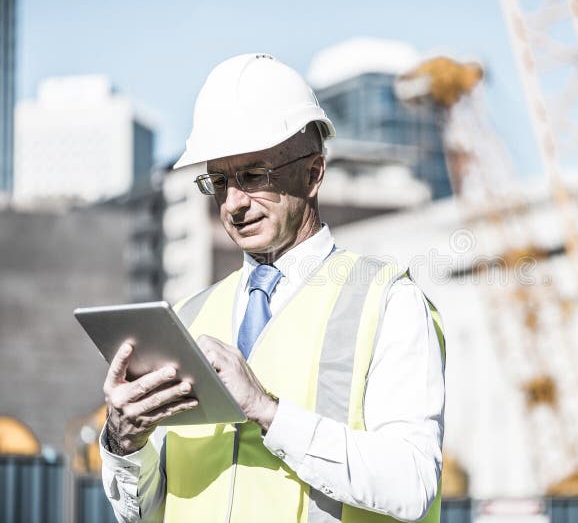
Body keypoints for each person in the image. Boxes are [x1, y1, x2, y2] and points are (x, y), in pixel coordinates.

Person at [98, 54, 446, 522]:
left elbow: (412, 483)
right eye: (220, 181)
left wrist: (267, 412)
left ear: (313, 173)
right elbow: (139, 511)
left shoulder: (387, 303)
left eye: (254, 175)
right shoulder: (188, 316)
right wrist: (124, 442)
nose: (235, 204)